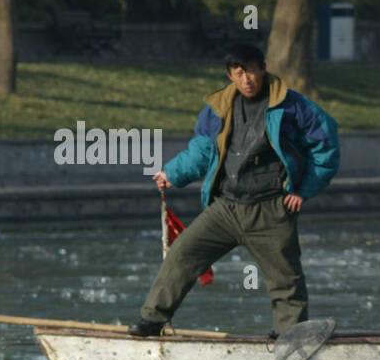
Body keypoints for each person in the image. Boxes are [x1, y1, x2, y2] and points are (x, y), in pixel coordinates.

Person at [128, 42, 340, 338]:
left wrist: (303, 190)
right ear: (230, 75)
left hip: (271, 210)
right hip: (225, 208)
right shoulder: (217, 109)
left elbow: (326, 146)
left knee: (285, 279)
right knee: (182, 254)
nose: (247, 79)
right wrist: (172, 174)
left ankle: (290, 338)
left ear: (263, 69)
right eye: (239, 73)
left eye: (251, 71)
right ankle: (152, 320)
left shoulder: (294, 106)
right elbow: (202, 150)